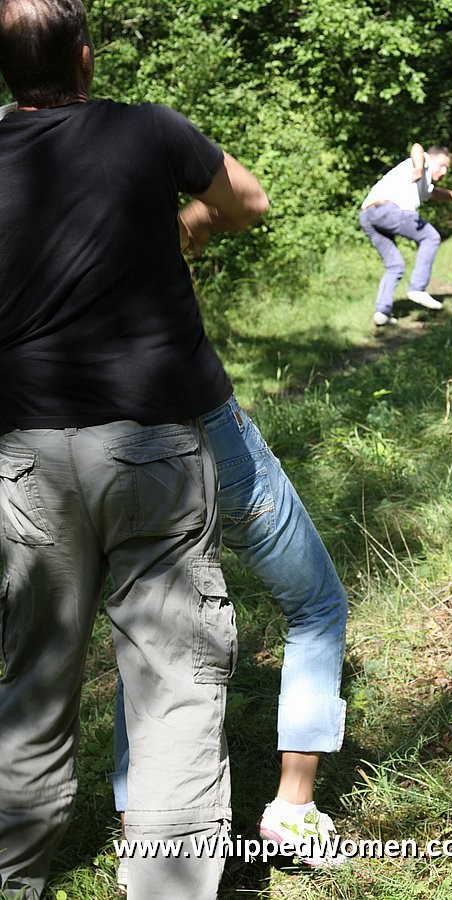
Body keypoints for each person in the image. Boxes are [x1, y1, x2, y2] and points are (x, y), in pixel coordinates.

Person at [0, 1, 268, 898]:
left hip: (23, 457)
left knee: (33, 684)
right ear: (84, 56)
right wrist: (189, 223)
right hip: (151, 440)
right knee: (173, 686)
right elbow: (248, 202)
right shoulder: (147, 129)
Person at [111, 207, 349, 890]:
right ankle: (293, 810)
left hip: (104, 446)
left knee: (148, 637)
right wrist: (185, 224)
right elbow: (245, 198)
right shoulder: (140, 150)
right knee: (315, 608)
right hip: (204, 423)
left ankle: (139, 835)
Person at [359, 143, 452, 326]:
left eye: (447, 169)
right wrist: (419, 167)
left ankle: (382, 312)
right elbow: (417, 147)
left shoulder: (424, 181)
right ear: (432, 158)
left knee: (395, 265)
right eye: (442, 165)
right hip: (389, 209)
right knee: (430, 237)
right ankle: (417, 289)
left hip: (367, 215)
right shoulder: (422, 162)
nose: (444, 172)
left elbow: (438, 193)